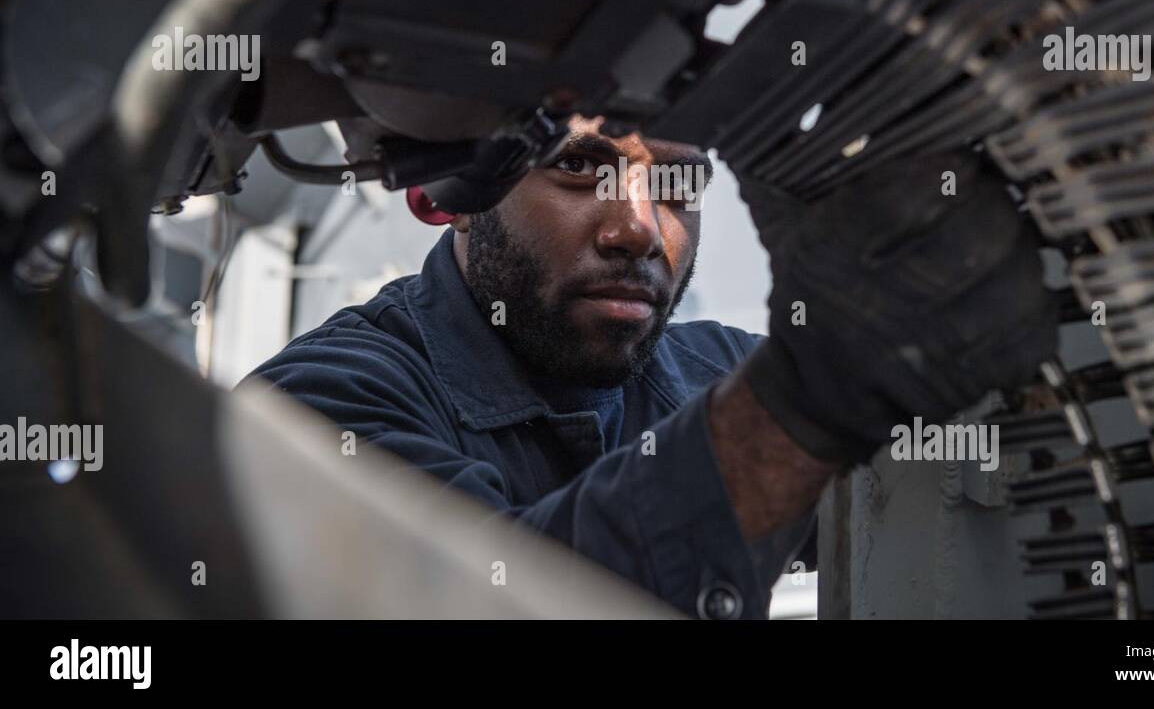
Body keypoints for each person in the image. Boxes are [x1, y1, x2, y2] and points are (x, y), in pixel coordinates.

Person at [246, 115, 1055, 618]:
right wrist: (808, 401)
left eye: (675, 185)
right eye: (577, 168)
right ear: (450, 195)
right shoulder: (316, 409)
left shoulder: (721, 374)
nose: (637, 228)